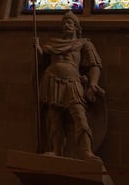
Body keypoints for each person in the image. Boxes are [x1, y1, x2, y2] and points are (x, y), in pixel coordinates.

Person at [35, 11, 104, 160]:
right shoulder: (53, 43)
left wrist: (93, 84)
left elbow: (95, 64)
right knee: (54, 116)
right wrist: (38, 49)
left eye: (70, 23)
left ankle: (86, 151)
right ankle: (56, 150)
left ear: (76, 27)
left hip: (72, 80)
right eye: (64, 23)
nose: (66, 25)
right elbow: (41, 62)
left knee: (79, 114)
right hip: (52, 79)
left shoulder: (84, 43)